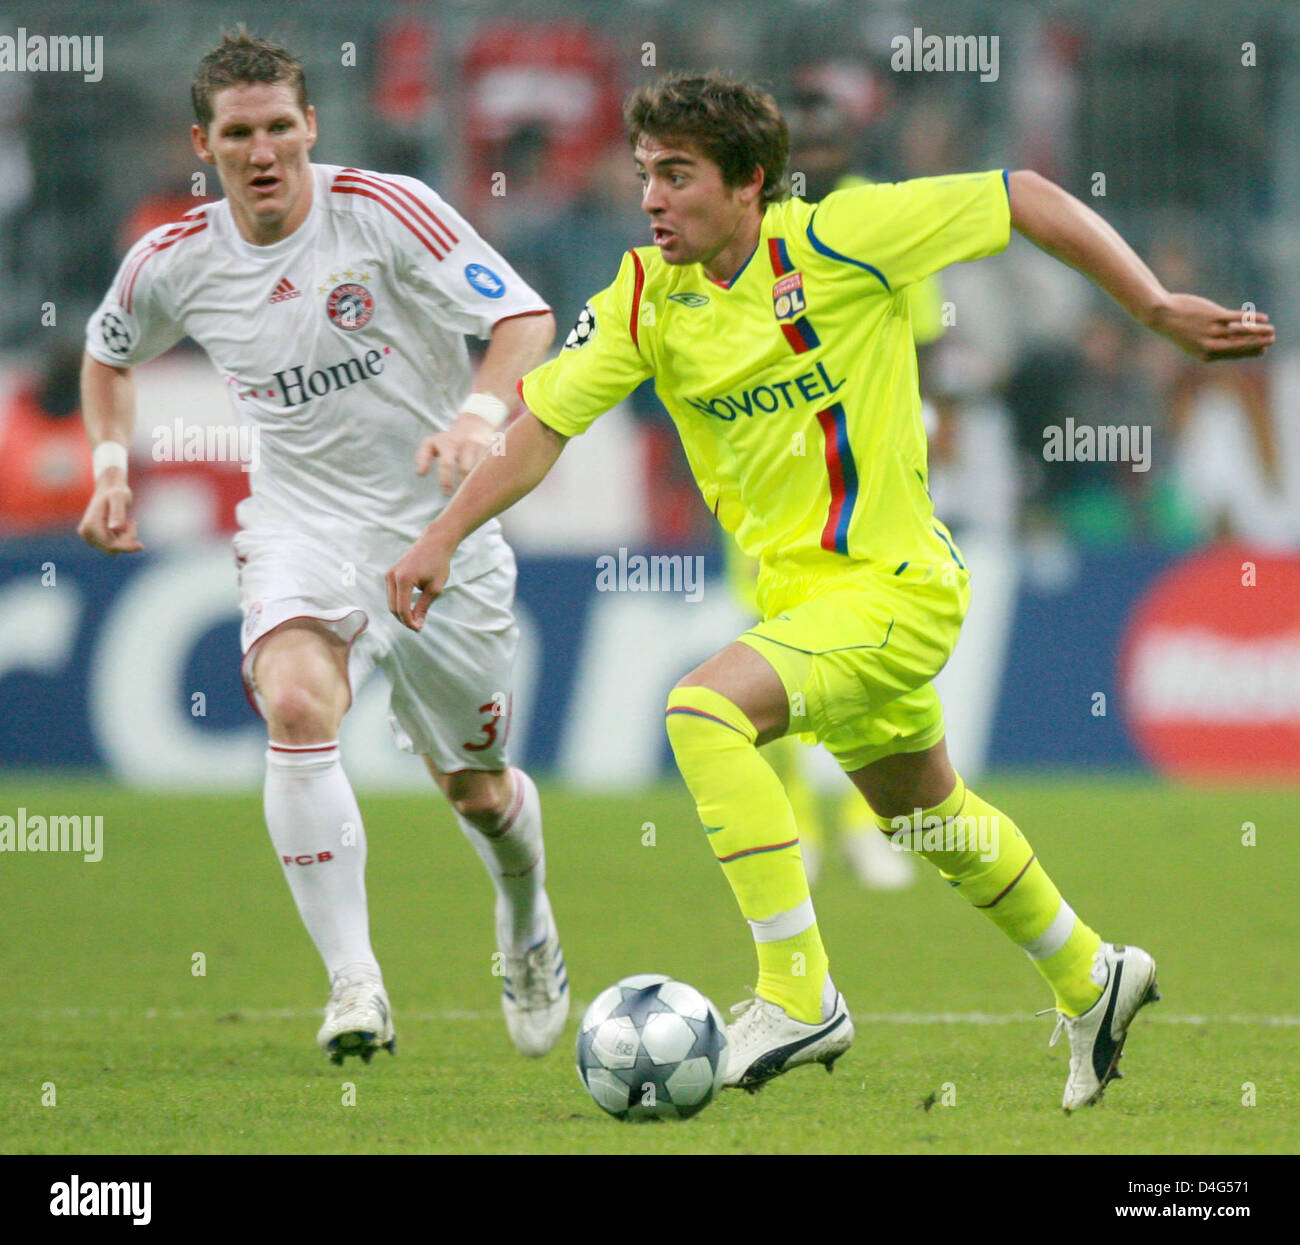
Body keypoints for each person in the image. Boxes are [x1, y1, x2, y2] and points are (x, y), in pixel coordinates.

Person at [386, 73, 1274, 1107]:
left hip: (896, 588)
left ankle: (797, 993)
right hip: (805, 611)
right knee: (924, 814)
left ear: (749, 182)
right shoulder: (641, 295)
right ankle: (1092, 974)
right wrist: (442, 534)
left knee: (701, 712)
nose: (651, 199)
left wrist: (1154, 305)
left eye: (676, 176)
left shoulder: (846, 237)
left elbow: (1023, 192)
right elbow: (542, 427)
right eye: (643, 176)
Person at [77, 29, 567, 1066]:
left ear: (312, 127)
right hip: (300, 519)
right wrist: (112, 466)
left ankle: (526, 922)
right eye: (238, 134)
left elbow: (525, 317)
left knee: (476, 791)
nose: (263, 152)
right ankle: (355, 983)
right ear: (202, 144)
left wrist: (479, 413)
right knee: (297, 703)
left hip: (442, 525)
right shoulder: (175, 260)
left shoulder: (383, 212)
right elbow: (105, 355)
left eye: (280, 128)